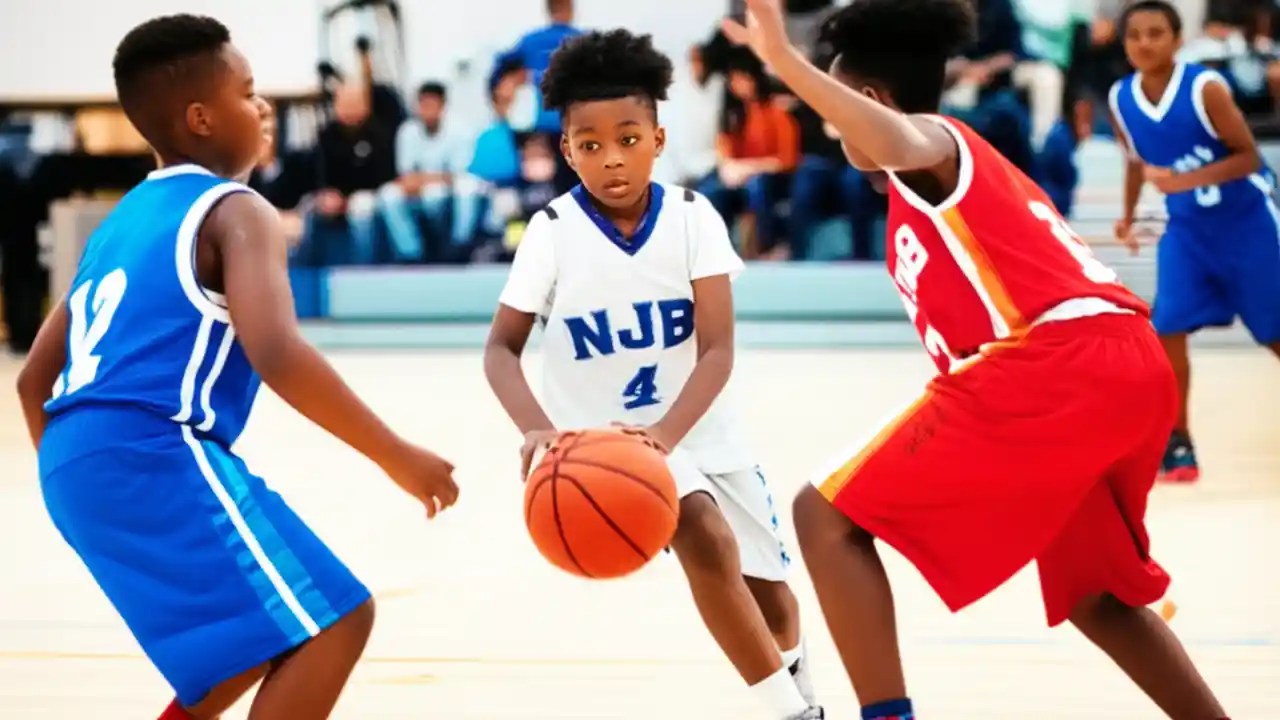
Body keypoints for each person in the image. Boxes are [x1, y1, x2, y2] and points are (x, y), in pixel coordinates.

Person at [721, 1, 1229, 719]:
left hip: (1061, 362)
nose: (836, 137)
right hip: (1120, 365)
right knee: (1098, 600)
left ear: (869, 101)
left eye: (839, 119)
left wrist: (786, 63)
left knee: (823, 518)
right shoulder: (939, 187)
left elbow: (901, 136)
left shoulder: (937, 143)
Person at [14, 15, 458, 720]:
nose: (263, 107)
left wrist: (86, 482)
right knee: (337, 620)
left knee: (247, 646)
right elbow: (277, 351)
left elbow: (31, 379)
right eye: (248, 93)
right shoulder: (240, 211)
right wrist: (395, 455)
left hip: (73, 461)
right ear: (200, 117)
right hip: (151, 448)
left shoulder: (124, 220)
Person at [482, 29, 823, 720]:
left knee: (774, 605)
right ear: (566, 149)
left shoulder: (695, 217)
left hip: (699, 428)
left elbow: (718, 349)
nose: (611, 159)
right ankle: (795, 715)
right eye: (589, 145)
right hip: (611, 443)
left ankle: (797, 686)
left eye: (628, 139)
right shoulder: (550, 230)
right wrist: (536, 430)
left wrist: (669, 434)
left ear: (659, 140)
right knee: (701, 531)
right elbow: (500, 350)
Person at [1109, 0, 1280, 483]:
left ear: (1177, 39)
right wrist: (1126, 216)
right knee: (1166, 328)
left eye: (1155, 33)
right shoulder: (1121, 97)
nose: (1144, 42)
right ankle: (1177, 440)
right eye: (1134, 34)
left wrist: (1184, 181)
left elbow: (1249, 158)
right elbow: (1135, 162)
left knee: (1273, 334)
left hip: (1247, 223)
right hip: (1187, 231)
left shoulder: (1205, 88)